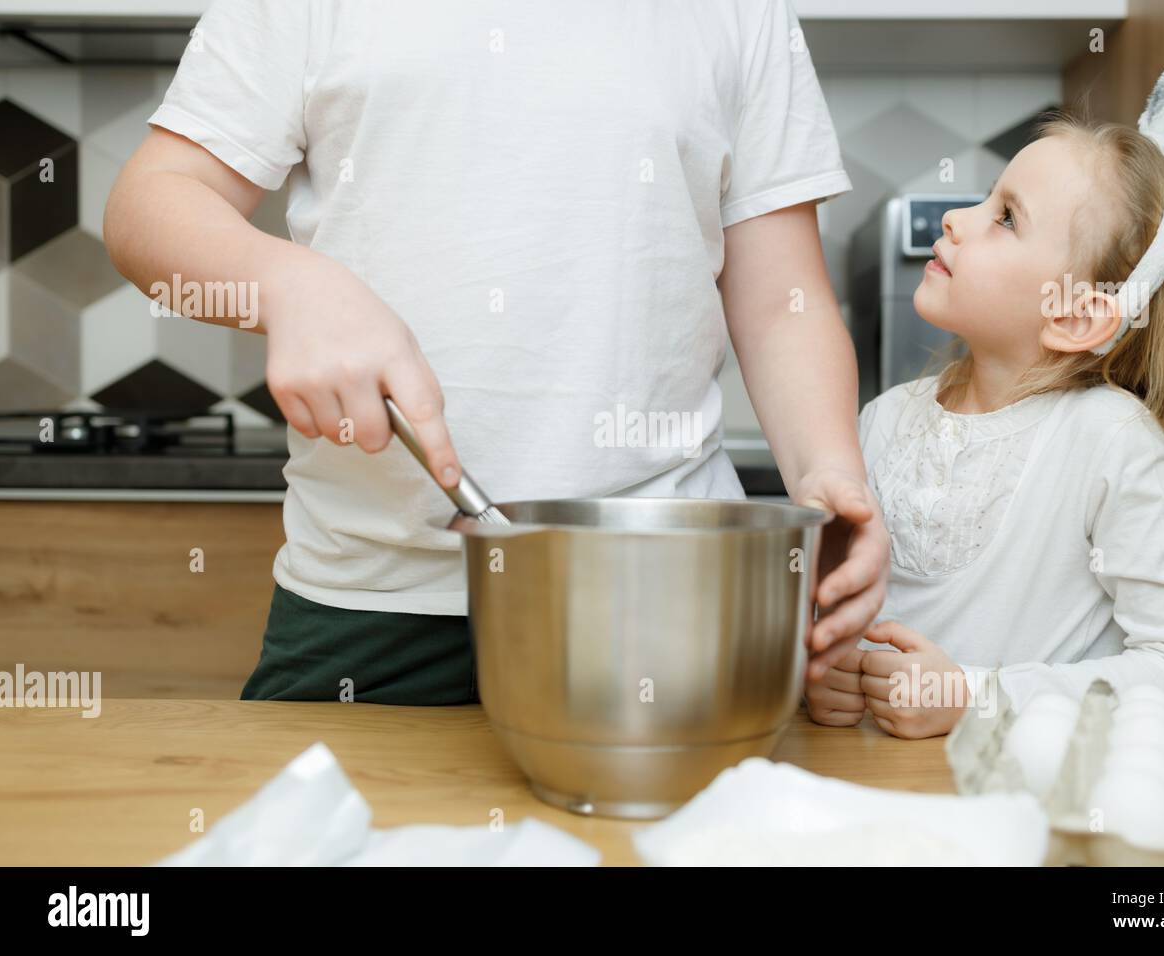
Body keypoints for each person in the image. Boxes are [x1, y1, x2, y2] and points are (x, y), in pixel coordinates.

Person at [103, 0, 891, 704]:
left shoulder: (741, 14)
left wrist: (830, 473)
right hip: (368, 605)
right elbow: (152, 203)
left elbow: (782, 304)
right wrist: (285, 283)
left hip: (664, 601)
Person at [805, 112, 1164, 737]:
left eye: (1005, 218)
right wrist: (822, 673)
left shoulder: (1112, 444)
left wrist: (975, 697)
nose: (956, 219)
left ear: (1076, 317)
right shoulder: (882, 421)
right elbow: (833, 620)